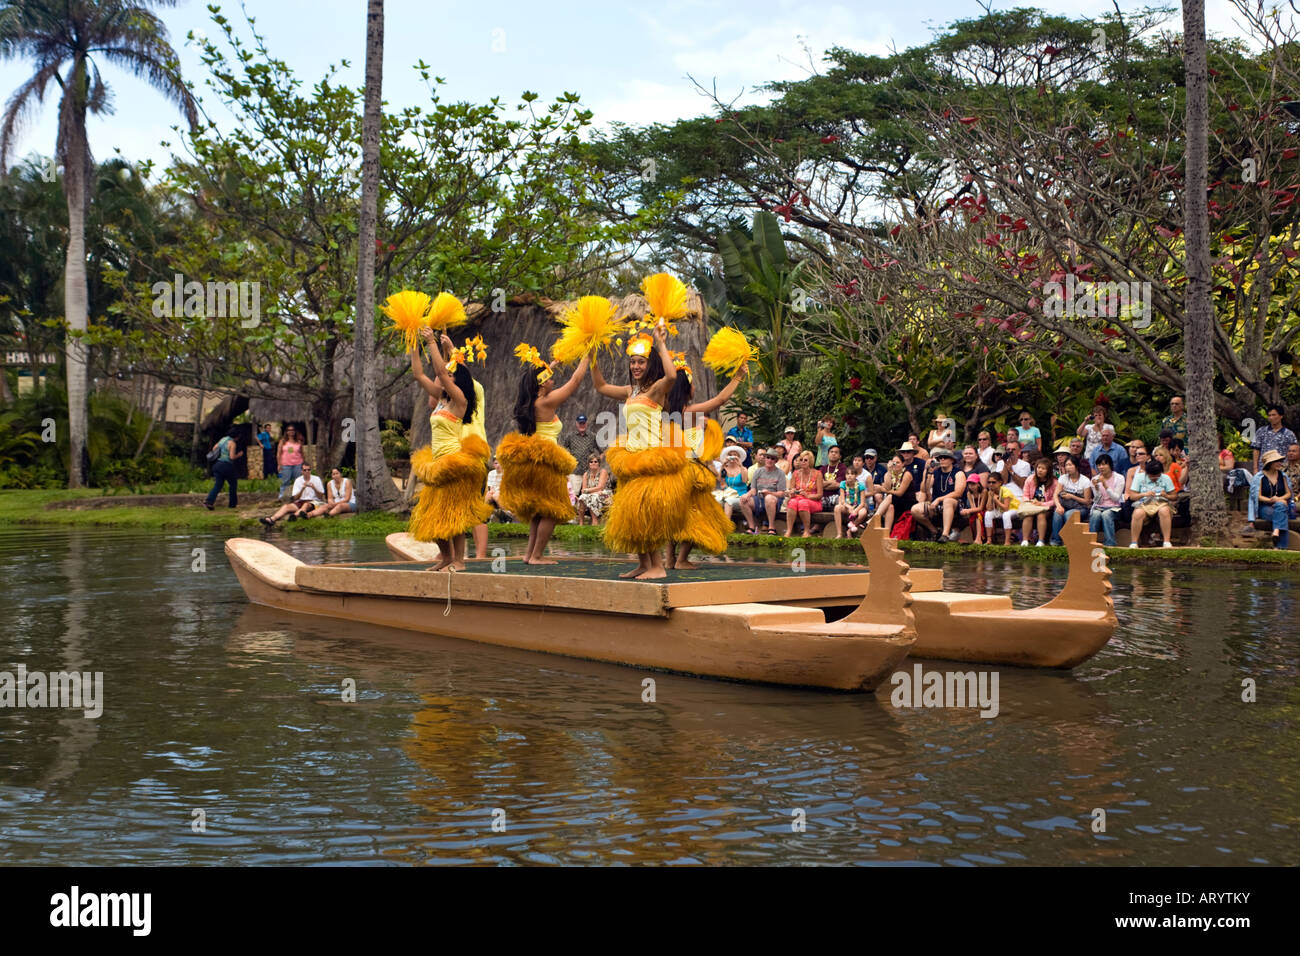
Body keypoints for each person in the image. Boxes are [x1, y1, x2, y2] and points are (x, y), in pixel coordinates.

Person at [594, 323, 688, 579]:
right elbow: (601, 386)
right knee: (631, 513)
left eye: (641, 362)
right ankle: (644, 564)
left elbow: (672, 377)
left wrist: (661, 343)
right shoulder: (630, 391)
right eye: (633, 362)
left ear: (650, 364)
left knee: (645, 513)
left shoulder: (656, 389)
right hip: (631, 456)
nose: (636, 366)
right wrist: (592, 356)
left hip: (650, 456)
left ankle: (658, 567)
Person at [406, 329, 493, 571]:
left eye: (452, 375)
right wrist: (413, 344)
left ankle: (459, 561)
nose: (446, 376)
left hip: (454, 462)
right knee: (432, 515)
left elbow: (441, 373)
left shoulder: (460, 402)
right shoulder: (441, 399)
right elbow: (418, 374)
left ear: (458, 380)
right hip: (437, 463)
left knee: (453, 515)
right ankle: (446, 558)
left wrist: (432, 342)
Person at [497, 345, 591, 565]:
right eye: (549, 379)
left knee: (539, 511)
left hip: (534, 463)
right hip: (547, 464)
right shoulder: (546, 402)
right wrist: (587, 355)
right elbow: (575, 382)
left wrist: (551, 366)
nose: (553, 381)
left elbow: (539, 379)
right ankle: (537, 555)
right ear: (541, 384)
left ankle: (530, 554)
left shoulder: (531, 402)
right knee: (551, 510)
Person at [663, 357, 747, 568]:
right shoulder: (690, 413)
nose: (695, 389)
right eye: (693, 385)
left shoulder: (665, 411)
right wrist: (738, 377)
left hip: (672, 472)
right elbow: (720, 399)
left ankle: (669, 559)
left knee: (676, 516)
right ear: (686, 388)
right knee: (698, 515)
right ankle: (682, 559)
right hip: (691, 473)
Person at [912, 446, 966, 541]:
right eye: (940, 458)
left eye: (945, 457)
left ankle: (945, 534)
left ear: (952, 460)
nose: (942, 459)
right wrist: (927, 472)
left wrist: (939, 499)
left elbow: (958, 493)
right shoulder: (936, 472)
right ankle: (935, 532)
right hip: (937, 505)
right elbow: (924, 489)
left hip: (956, 504)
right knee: (915, 509)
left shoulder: (958, 473)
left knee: (947, 501)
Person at [1128, 458, 1176, 549]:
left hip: (1161, 503)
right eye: (1151, 476)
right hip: (1144, 503)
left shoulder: (1166, 478)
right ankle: (1134, 542)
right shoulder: (1139, 477)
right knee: (1138, 513)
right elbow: (1132, 496)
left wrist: (1166, 495)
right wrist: (1144, 494)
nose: (1154, 478)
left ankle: (1166, 541)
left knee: (1164, 511)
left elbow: (1174, 496)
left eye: (1157, 476)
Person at [740, 448, 788, 534]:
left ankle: (771, 527)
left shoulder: (780, 473)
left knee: (769, 498)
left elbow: (781, 493)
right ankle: (751, 527)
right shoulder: (758, 471)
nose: (769, 460)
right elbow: (753, 490)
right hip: (759, 499)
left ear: (776, 461)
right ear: (765, 458)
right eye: (768, 457)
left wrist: (769, 493)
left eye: (772, 458)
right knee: (743, 500)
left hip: (774, 500)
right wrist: (747, 494)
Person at [260, 463, 325, 526]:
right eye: (305, 470)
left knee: (306, 505)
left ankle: (294, 516)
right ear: (302, 471)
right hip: (300, 501)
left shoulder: (316, 479)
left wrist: (314, 488)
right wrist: (302, 489)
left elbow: (321, 496)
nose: (307, 472)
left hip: (313, 502)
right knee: (286, 506)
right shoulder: (298, 480)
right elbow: (295, 498)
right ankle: (272, 519)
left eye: (309, 470)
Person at [1050, 454, 1092, 545]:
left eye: (1070, 465)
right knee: (1057, 513)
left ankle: (1070, 542)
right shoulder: (1063, 478)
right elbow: (1055, 495)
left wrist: (1072, 496)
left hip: (1081, 508)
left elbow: (1087, 501)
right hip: (1065, 505)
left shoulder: (1085, 481)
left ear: (1076, 466)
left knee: (1068, 514)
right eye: (1066, 465)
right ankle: (1056, 541)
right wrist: (1058, 506)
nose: (1067, 467)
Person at [1017, 457, 1057, 546]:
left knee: (1041, 515)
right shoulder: (1030, 479)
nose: (1040, 470)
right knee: (1028, 515)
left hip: (1046, 507)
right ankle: (1025, 540)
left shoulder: (1054, 482)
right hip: (1032, 505)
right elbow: (1025, 494)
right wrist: (1029, 502)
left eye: (1043, 468)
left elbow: (1055, 500)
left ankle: (1041, 540)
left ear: (1048, 471)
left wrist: (1042, 504)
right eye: (1039, 467)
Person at [1256, 450, 1293, 547]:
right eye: (1277, 461)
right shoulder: (1260, 477)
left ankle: (1276, 532)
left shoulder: (1282, 476)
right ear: (1270, 463)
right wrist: (1271, 500)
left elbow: (1288, 493)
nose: (1280, 463)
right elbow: (1258, 496)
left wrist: (1279, 499)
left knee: (1280, 508)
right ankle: (1281, 547)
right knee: (1282, 515)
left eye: (1280, 461)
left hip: (1280, 506)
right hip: (1265, 507)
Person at [1088, 454, 1126, 547]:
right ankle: (1090, 542)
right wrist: (1096, 489)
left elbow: (1116, 498)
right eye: (1099, 465)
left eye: (1104, 464)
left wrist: (1105, 485)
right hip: (1099, 507)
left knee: (1106, 514)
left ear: (1110, 465)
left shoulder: (1119, 478)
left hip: (1115, 507)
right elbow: (1098, 501)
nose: (1101, 467)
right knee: (1095, 515)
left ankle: (1110, 543)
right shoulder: (1095, 479)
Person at [785, 450, 824, 537]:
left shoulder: (818, 474)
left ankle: (806, 531)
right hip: (797, 499)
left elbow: (820, 495)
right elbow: (791, 489)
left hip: (814, 501)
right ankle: (789, 530)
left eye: (805, 460)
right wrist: (792, 492)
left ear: (810, 461)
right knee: (792, 502)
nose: (803, 462)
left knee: (803, 503)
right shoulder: (795, 473)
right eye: (801, 460)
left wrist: (807, 496)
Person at [205, 427, 243, 510]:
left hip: (218, 464)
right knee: (233, 484)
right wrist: (239, 455)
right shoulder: (232, 443)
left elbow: (214, 448)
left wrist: (222, 452)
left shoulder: (223, 439)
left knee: (218, 485)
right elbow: (232, 457)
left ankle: (209, 501)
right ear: (237, 436)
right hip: (227, 465)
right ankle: (232, 504)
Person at [1251, 404, 1297, 473]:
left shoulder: (1289, 434)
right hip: (1264, 469)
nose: (1271, 417)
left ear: (1281, 416)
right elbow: (1256, 450)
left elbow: (1294, 452)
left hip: (1283, 470)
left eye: (1274, 415)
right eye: (1269, 415)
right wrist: (1255, 469)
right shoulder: (1261, 431)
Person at [981, 470, 1022, 545]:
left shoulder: (1005, 491)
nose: (991, 484)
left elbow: (1006, 508)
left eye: (993, 482)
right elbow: (989, 508)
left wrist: (995, 500)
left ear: (1000, 482)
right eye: (989, 482)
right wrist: (990, 497)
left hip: (1014, 509)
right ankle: (989, 540)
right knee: (988, 514)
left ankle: (1007, 541)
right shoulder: (990, 491)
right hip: (1001, 510)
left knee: (1006, 515)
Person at [875, 455, 913, 534]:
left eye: (898, 463)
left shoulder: (907, 474)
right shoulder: (888, 474)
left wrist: (883, 489)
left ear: (903, 464)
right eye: (894, 463)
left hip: (907, 501)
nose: (895, 465)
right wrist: (889, 471)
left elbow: (899, 493)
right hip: (895, 502)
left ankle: (875, 517)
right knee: (890, 506)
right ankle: (886, 533)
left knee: (890, 496)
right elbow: (888, 487)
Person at [833, 464, 871, 538]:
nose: (849, 476)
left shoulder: (860, 485)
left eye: (852, 474)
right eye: (847, 474)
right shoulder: (843, 484)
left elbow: (862, 503)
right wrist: (849, 507)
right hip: (847, 506)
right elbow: (842, 501)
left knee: (863, 513)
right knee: (837, 508)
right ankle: (839, 533)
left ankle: (851, 528)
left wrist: (855, 510)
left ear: (856, 476)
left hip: (858, 506)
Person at [715, 447, 750, 525]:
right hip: (727, 494)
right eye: (730, 455)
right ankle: (715, 524)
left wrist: (740, 465)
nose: (732, 457)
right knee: (716, 501)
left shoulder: (743, 469)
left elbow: (744, 481)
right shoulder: (725, 468)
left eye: (735, 455)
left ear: (739, 457)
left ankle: (726, 526)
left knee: (729, 502)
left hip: (740, 495)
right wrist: (723, 464)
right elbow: (719, 479)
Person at [575, 454, 611, 525]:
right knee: (582, 497)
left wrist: (588, 490)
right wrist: (588, 491)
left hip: (604, 493)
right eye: (591, 462)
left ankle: (594, 522)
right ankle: (581, 523)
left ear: (599, 463)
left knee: (594, 497)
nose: (593, 463)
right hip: (592, 494)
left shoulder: (603, 472)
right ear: (588, 464)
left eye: (595, 461)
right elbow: (583, 489)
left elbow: (600, 487)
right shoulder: (586, 474)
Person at [275, 425, 305, 500]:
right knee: (285, 482)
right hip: (285, 465)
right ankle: (282, 496)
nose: (291, 431)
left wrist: (304, 463)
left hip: (297, 464)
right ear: (286, 432)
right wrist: (279, 464)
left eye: (292, 430)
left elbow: (302, 453)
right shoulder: (282, 441)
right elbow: (278, 453)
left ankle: (297, 496)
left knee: (298, 481)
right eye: (289, 430)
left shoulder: (298, 441)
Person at [820, 445, 847, 512]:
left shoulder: (843, 468)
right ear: (828, 455)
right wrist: (831, 482)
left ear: (840, 456)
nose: (833, 454)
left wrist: (824, 484)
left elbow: (838, 485)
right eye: (831, 452)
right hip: (823, 498)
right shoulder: (822, 469)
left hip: (837, 498)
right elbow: (819, 484)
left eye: (836, 452)